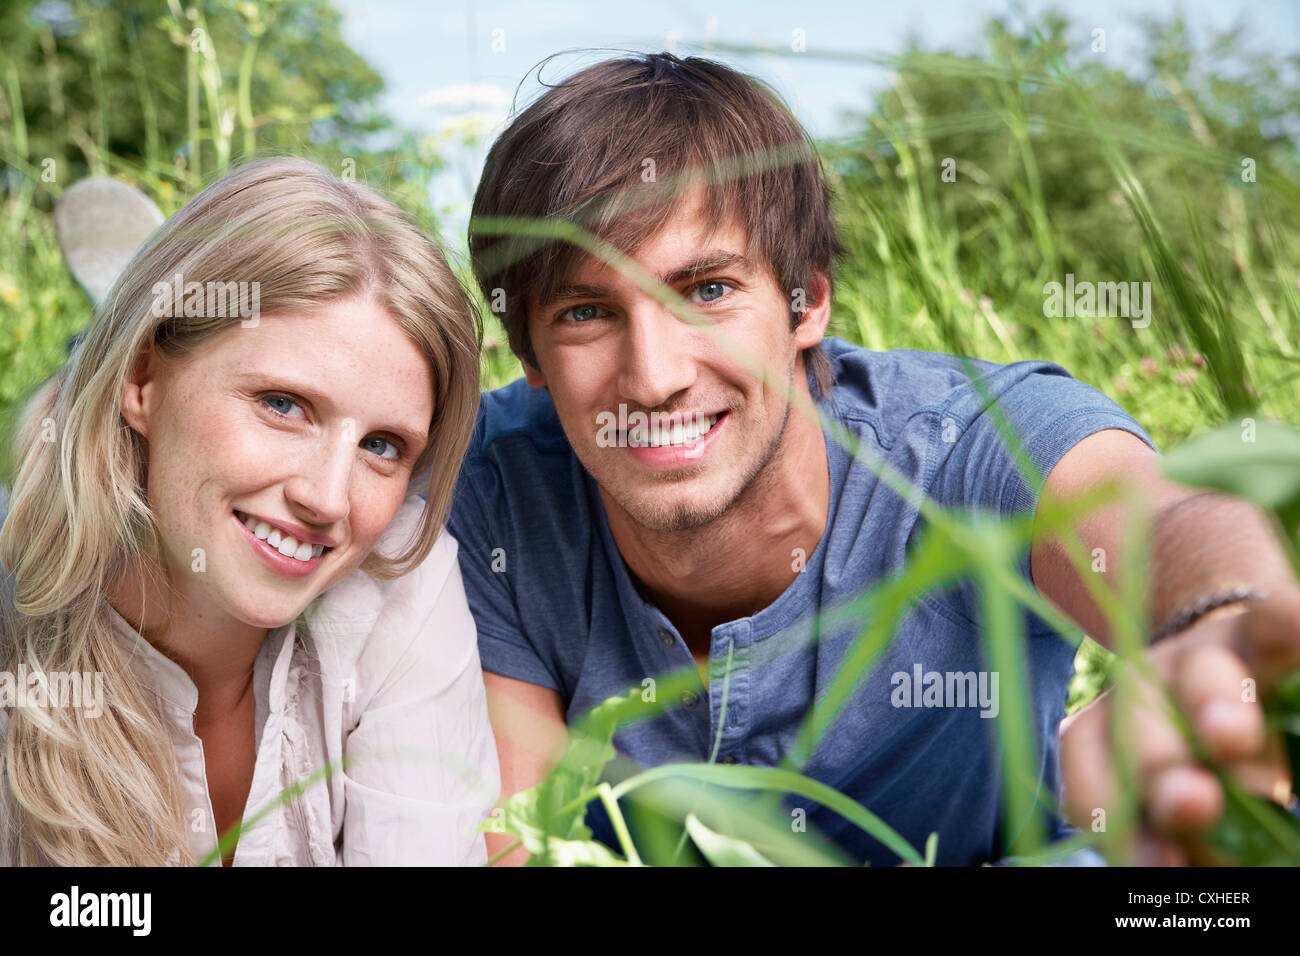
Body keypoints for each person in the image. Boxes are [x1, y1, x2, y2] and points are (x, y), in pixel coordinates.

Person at [453, 52, 1300, 866]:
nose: (656, 376)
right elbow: (515, 845)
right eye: (586, 312)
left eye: (708, 291)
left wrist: (1219, 625)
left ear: (807, 301)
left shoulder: (970, 441)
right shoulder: (487, 488)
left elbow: (1164, 513)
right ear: (529, 354)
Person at [0, 156, 500, 866]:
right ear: (143, 378)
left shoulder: (399, 577)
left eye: (382, 445)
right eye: (283, 404)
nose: (327, 499)